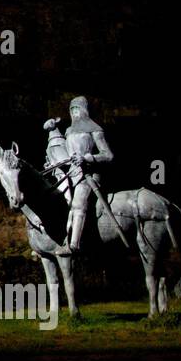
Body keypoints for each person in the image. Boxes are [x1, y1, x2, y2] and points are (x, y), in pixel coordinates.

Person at [43, 96, 113, 256]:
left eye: (77, 108)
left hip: (89, 175)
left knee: (78, 203)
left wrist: (88, 157)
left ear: (84, 110)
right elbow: (67, 156)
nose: (74, 112)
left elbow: (108, 155)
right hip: (72, 174)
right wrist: (54, 163)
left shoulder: (95, 129)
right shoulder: (68, 131)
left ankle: (73, 245)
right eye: (72, 109)